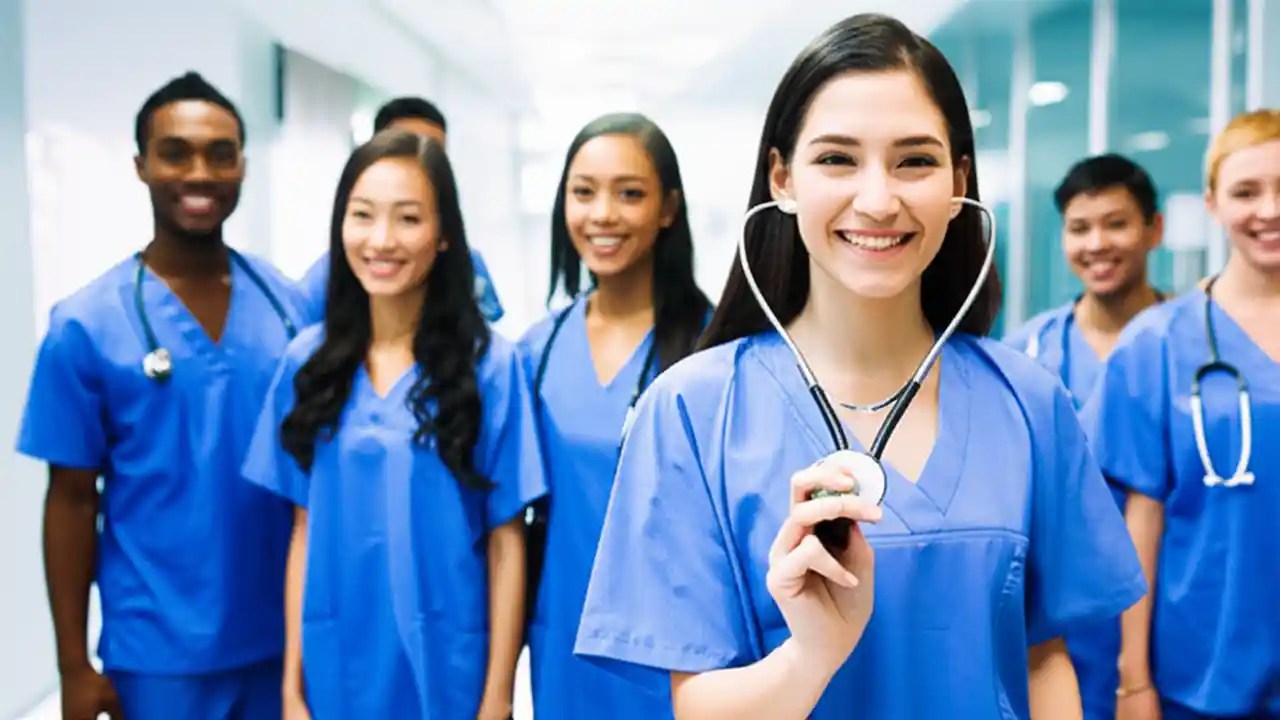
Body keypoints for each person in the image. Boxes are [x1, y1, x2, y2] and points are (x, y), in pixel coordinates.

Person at [571, 14, 1146, 720]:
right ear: (782, 177)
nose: (878, 199)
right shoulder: (690, 411)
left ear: (959, 180)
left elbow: (1042, 657)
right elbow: (696, 707)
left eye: (915, 160)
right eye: (837, 159)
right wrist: (810, 653)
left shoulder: (1029, 401)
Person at [14, 71, 308, 720]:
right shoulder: (85, 325)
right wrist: (72, 666)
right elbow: (68, 500)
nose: (199, 172)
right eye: (176, 152)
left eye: (220, 153)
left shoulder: (291, 310)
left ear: (243, 166)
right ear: (141, 165)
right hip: (157, 660)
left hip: (283, 645)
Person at [241, 129, 545, 719]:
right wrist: (291, 687)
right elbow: (304, 530)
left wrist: (499, 698)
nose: (381, 240)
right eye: (362, 216)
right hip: (338, 665)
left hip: (449, 665)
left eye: (408, 219)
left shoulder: (490, 366)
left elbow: (508, 540)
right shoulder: (309, 362)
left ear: (445, 235)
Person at [1081, 109, 1280, 720]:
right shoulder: (1158, 343)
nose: (1268, 210)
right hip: (1203, 679)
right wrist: (1132, 682)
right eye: (1246, 191)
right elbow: (1140, 523)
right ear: (1213, 203)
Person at [518, 112, 713, 720]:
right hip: (562, 639)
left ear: (668, 209)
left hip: (679, 648)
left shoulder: (713, 353)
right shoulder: (535, 351)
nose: (602, 214)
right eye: (584, 192)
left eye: (629, 193)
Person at [1004, 153, 1165, 720]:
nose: (1097, 243)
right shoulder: (1024, 354)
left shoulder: (1188, 343)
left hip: (1174, 620)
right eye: (1079, 228)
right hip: (1061, 628)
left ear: (1154, 229)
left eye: (1116, 223)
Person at [297, 96, 505, 323]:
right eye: (402, 146)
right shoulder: (328, 277)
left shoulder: (468, 266)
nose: (418, 160)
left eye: (433, 151)